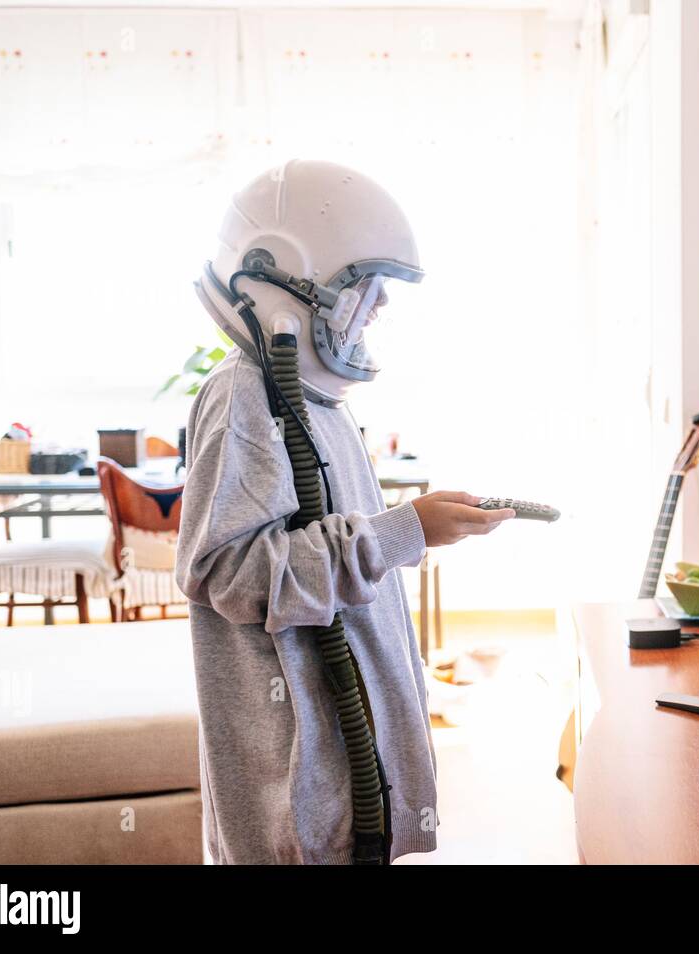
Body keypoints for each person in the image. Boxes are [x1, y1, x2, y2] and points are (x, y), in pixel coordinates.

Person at [177, 159, 514, 863]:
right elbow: (228, 572)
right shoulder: (244, 396)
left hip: (341, 779)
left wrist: (412, 530)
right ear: (281, 273)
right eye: (366, 283)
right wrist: (404, 531)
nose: (380, 304)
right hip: (297, 792)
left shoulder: (315, 401)